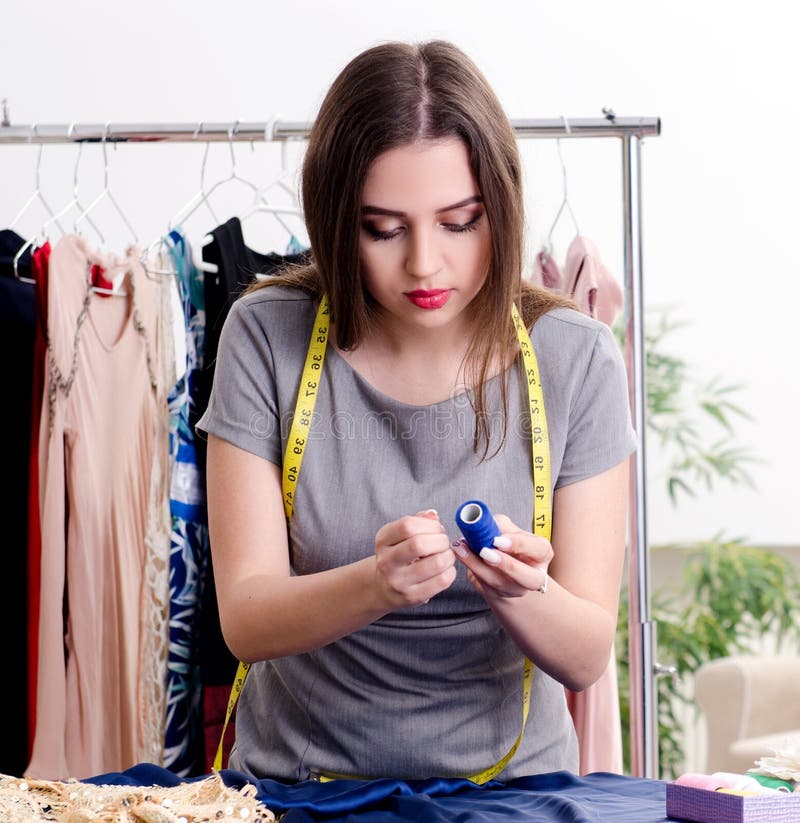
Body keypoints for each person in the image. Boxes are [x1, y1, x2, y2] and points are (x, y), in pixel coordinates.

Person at [196, 39, 636, 783]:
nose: (425, 263)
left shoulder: (576, 358)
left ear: (499, 204)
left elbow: (587, 653)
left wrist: (523, 592)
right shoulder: (265, 335)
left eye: (460, 221)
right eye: (383, 228)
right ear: (338, 218)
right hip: (295, 789)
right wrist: (375, 583)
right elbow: (245, 618)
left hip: (512, 794)